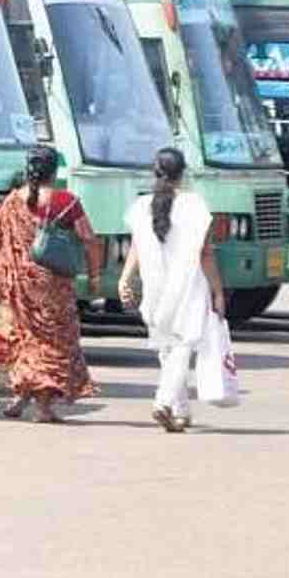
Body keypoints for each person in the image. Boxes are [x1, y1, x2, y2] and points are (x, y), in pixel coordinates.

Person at [0, 145, 101, 424]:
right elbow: (89, 239)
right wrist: (94, 277)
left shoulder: (9, 202)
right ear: (54, 171)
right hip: (52, 288)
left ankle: (21, 395)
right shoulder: (65, 201)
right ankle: (44, 407)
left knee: (24, 338)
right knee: (53, 343)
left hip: (18, 287)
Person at [118, 147, 226, 433]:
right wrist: (218, 291)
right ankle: (164, 402)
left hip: (154, 287)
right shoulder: (195, 206)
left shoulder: (141, 206)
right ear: (183, 173)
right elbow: (206, 254)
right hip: (188, 285)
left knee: (168, 348)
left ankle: (181, 410)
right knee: (182, 345)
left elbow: (136, 247)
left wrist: (125, 278)